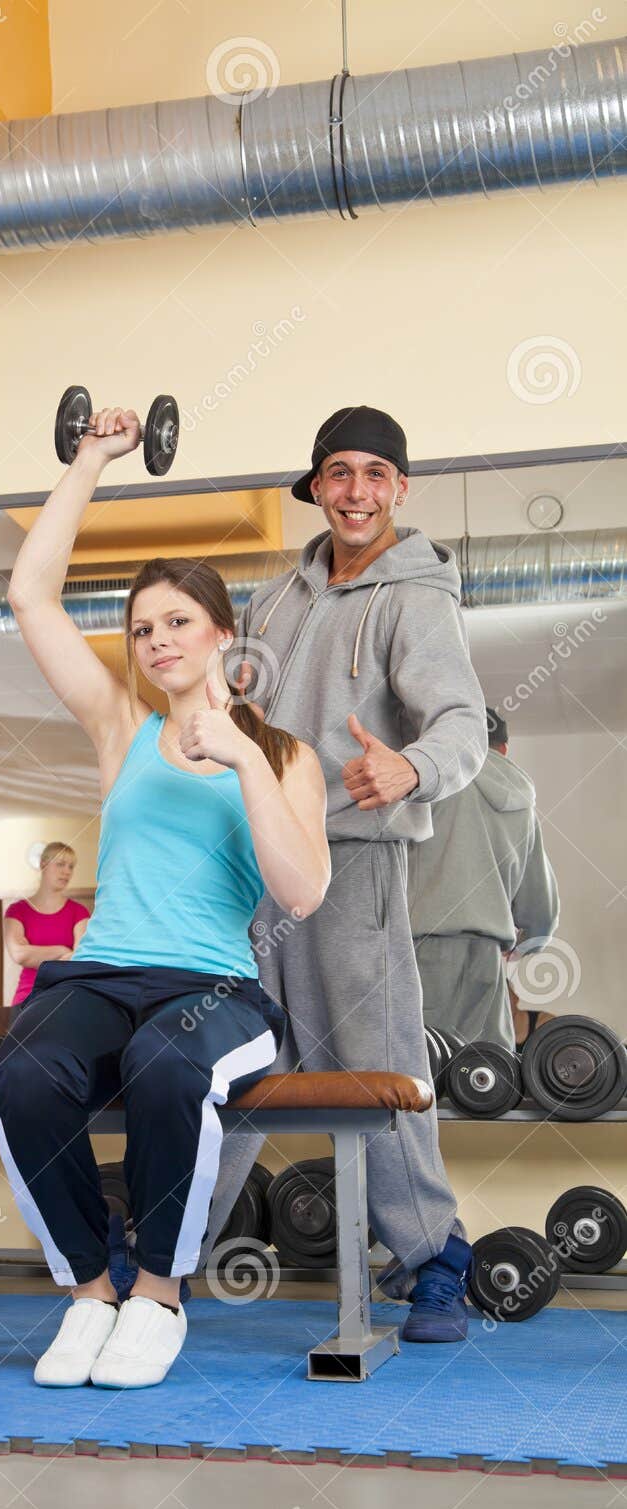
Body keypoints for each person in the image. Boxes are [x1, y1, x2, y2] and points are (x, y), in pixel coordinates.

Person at [0, 404, 329, 1390]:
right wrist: (92, 457)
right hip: (99, 972)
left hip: (212, 986)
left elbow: (300, 893)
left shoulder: (281, 752)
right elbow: (28, 592)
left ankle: (159, 1294)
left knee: (162, 1061)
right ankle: (92, 1287)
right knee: (24, 1077)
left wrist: (242, 762)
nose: (157, 639)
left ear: (222, 631)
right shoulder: (118, 727)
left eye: (178, 620)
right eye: (141, 628)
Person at [206, 405, 488, 1342]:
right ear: (315, 488)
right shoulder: (277, 600)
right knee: (231, 1061)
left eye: (374, 474)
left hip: (354, 857)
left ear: (398, 488)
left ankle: (435, 1254)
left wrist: (412, 767)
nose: (355, 491)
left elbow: (458, 718)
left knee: (374, 1065)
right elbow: (237, 714)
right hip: (259, 863)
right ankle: (168, 1249)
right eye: (338, 473)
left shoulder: (417, 597)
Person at [409, 706, 559, 1047]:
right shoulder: (522, 803)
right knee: (486, 1076)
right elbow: (541, 908)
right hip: (487, 955)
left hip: (420, 947)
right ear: (503, 749)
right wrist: (527, 943)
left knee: (420, 1073)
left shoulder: (427, 779)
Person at [3, 842, 90, 1011]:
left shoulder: (79, 912)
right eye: (60, 864)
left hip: (66, 996)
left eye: (71, 866)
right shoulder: (17, 910)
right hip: (26, 998)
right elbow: (20, 954)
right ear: (43, 864)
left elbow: (79, 960)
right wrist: (62, 951)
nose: (67, 871)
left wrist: (35, 954)